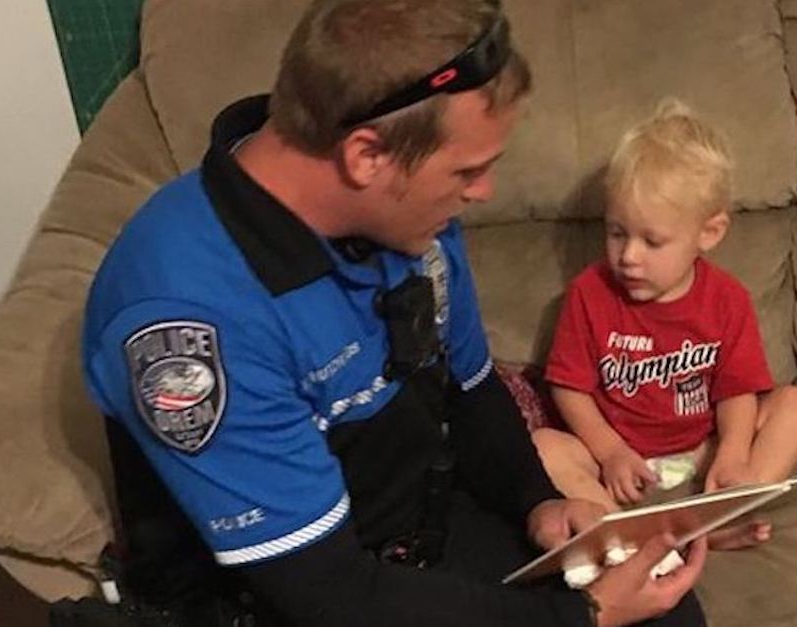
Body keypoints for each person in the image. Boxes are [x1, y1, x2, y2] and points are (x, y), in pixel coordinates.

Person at [80, 1, 709, 626]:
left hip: (416, 533)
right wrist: (581, 616)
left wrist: (540, 501)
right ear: (366, 155)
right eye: (468, 169)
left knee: (664, 605)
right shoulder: (190, 318)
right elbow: (329, 593)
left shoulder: (408, 221)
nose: (482, 191)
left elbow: (470, 389)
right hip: (295, 594)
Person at [532, 101, 797, 550]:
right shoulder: (589, 293)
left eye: (652, 241)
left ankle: (719, 518)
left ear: (708, 233)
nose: (628, 255)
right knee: (543, 446)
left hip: (702, 451)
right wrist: (609, 453)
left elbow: (736, 390)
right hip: (620, 464)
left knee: (796, 405)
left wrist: (732, 453)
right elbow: (569, 387)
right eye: (616, 233)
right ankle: (622, 533)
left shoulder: (727, 299)